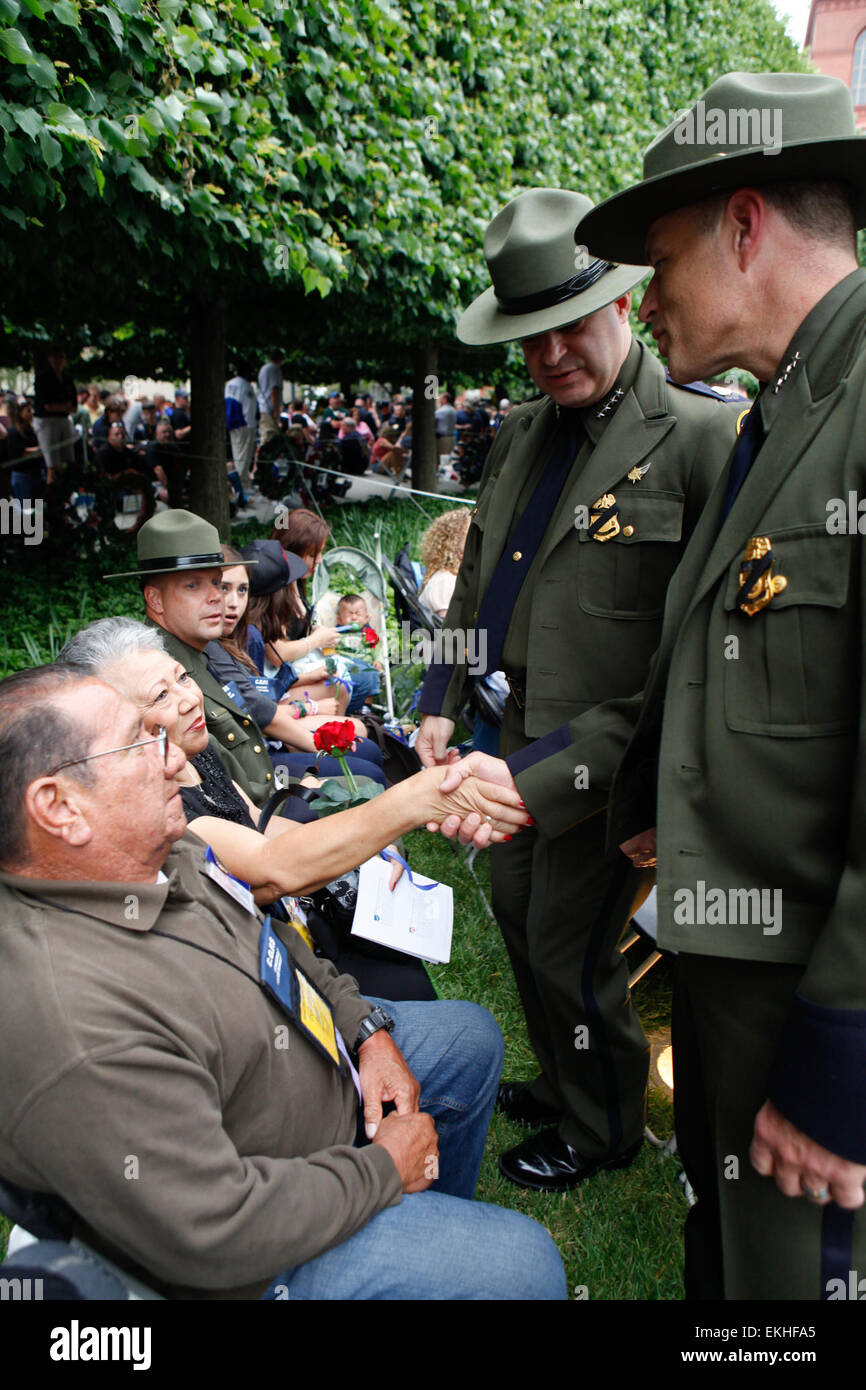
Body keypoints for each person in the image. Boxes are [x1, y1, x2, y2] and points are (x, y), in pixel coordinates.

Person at [574, 70, 866, 1300]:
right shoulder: (775, 413)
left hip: (809, 1022)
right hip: (733, 986)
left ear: (742, 225)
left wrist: (837, 1067)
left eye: (658, 259)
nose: (643, 301)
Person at [0, 663, 563, 1300]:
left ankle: (432, 1219)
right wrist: (382, 1170)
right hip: (260, 1260)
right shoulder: (71, 1022)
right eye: (141, 741)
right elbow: (213, 1229)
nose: (178, 764)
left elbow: (273, 939)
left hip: (314, 1095)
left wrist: (365, 1033)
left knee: (472, 1039)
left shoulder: (155, 854)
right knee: (525, 1266)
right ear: (59, 807)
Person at [415, 186, 738, 1192]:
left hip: (602, 759)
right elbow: (476, 579)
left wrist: (652, 793)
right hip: (509, 730)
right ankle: (563, 1077)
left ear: (618, 305)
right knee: (517, 918)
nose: (550, 355)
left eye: (566, 329)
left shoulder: (696, 434)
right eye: (529, 340)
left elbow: (699, 646)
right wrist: (438, 693)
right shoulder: (520, 430)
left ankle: (598, 1123)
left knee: (568, 946)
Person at [32, 345, 76, 482]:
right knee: (53, 464)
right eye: (55, 357)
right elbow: (47, 406)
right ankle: (51, 496)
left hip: (63, 421)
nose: (58, 360)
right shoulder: (42, 378)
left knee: (69, 459)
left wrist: (62, 407)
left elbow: (73, 406)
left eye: (61, 357)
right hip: (46, 422)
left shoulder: (68, 378)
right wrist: (64, 406)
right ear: (50, 359)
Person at [418, 508, 472, 620]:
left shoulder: (446, 576)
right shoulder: (446, 582)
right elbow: (449, 632)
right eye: (470, 534)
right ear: (452, 540)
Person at [257, 350, 284, 447]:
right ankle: (264, 460)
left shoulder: (263, 369)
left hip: (262, 407)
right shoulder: (274, 369)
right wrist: (275, 410)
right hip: (268, 409)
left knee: (266, 435)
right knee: (269, 437)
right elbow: (274, 390)